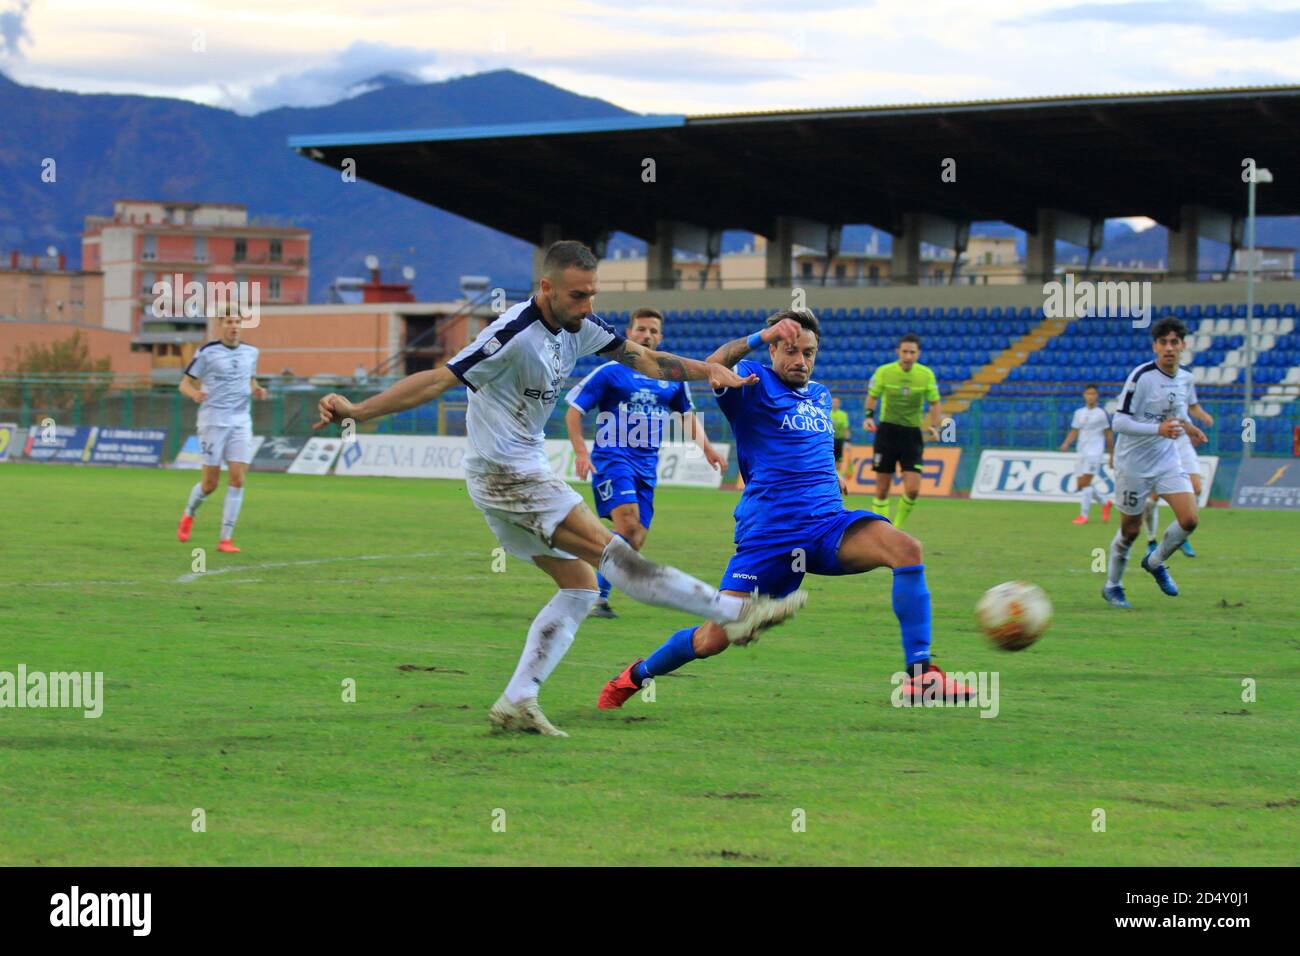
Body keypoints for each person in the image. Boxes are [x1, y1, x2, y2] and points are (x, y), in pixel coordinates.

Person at [313, 241, 806, 737]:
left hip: (507, 474)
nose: (588, 305)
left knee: (581, 586)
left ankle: (518, 698)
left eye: (592, 294)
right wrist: (358, 410)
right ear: (546, 288)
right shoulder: (511, 333)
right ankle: (734, 613)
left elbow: (648, 361)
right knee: (617, 553)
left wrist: (710, 370)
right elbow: (436, 381)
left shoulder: (580, 326)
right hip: (508, 473)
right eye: (577, 295)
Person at [598, 310, 976, 711]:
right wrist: (760, 334)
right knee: (712, 639)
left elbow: (808, 445)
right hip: (770, 535)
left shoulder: (821, 395)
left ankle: (920, 675)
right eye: (791, 350)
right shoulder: (751, 382)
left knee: (907, 550)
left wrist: (833, 473)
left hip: (829, 524)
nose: (801, 361)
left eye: (809, 353)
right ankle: (633, 677)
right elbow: (715, 363)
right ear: (774, 349)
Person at [564, 307, 727, 619]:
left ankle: (593, 581)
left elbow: (686, 416)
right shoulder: (610, 371)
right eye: (641, 330)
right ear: (629, 334)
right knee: (627, 523)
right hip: (613, 459)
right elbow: (574, 410)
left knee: (635, 537)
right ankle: (593, 595)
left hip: (646, 465)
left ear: (660, 337)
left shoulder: (672, 377)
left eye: (653, 331)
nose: (647, 336)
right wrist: (581, 452)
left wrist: (707, 449)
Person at [1101, 318, 1207, 609]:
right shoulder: (1141, 376)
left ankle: (1155, 561)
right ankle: (1112, 586)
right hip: (1133, 464)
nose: (1169, 348)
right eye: (1164, 342)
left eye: (1175, 342)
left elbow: (1173, 413)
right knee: (1130, 530)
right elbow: (1119, 422)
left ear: (1183, 346)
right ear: (1155, 346)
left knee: (1190, 519)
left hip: (1166, 460)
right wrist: (1157, 430)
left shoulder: (1185, 378)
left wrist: (1188, 427)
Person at [176, 310, 266, 552]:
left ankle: (225, 539)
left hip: (241, 421)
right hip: (213, 422)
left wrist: (256, 388)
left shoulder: (251, 352)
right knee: (210, 484)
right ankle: (189, 513)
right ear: (220, 325)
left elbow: (250, 380)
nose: (234, 326)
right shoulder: (207, 353)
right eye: (229, 322)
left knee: (238, 478)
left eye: (237, 322)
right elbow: (184, 384)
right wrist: (195, 393)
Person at [862, 333, 942, 529]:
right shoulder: (884, 372)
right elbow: (873, 396)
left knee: (913, 489)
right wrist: (868, 417)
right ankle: (882, 529)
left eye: (912, 352)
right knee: (882, 489)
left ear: (918, 354)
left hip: (912, 435)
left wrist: (935, 425)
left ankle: (895, 528)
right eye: (904, 351)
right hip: (887, 433)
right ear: (898, 352)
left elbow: (935, 403)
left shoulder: (926, 375)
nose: (908, 356)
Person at [1141, 394, 1213, 558]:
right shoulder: (1149, 382)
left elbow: (1191, 407)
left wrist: (1201, 420)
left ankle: (1180, 536)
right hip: (1161, 444)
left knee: (1196, 488)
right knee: (1152, 500)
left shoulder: (1184, 379)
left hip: (1182, 441)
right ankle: (1151, 540)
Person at [1058, 384, 1114, 524]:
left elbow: (1108, 435)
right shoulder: (1079, 412)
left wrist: (1111, 455)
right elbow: (1074, 430)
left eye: (1093, 394)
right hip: (1081, 451)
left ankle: (1084, 516)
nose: (1090, 396)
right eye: (1088, 394)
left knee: (1085, 483)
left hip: (1094, 452)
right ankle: (1105, 502)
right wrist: (1066, 443)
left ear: (1097, 396)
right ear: (1084, 395)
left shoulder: (1101, 413)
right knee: (1081, 484)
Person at [830, 395, 851, 479]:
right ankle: (830, 479)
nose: (835, 404)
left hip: (839, 441)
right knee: (830, 461)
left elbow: (846, 428)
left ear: (839, 404)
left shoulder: (843, 414)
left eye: (836, 402)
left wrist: (847, 441)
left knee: (838, 462)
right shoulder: (827, 413)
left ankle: (838, 479)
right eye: (833, 402)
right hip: (829, 441)